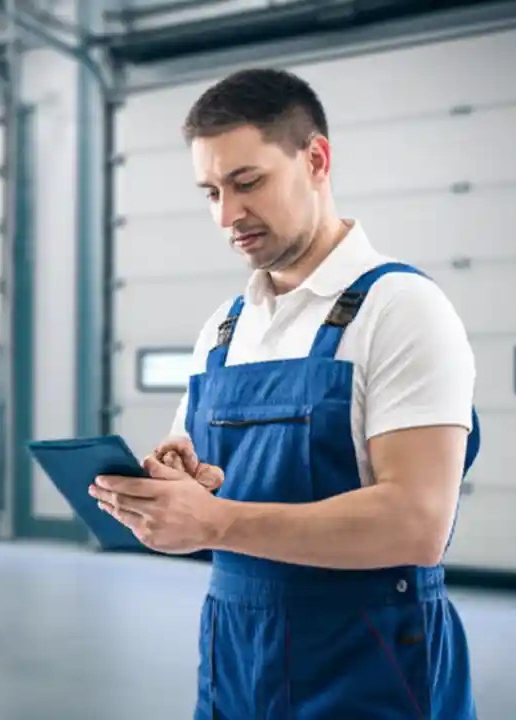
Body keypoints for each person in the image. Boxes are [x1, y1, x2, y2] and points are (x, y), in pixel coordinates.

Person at [88, 68, 481, 719]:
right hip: (237, 653)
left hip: (370, 660)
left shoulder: (402, 309)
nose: (226, 215)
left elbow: (418, 524)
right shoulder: (224, 327)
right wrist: (181, 476)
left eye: (247, 183)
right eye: (210, 192)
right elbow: (207, 472)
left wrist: (217, 522)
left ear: (317, 160)